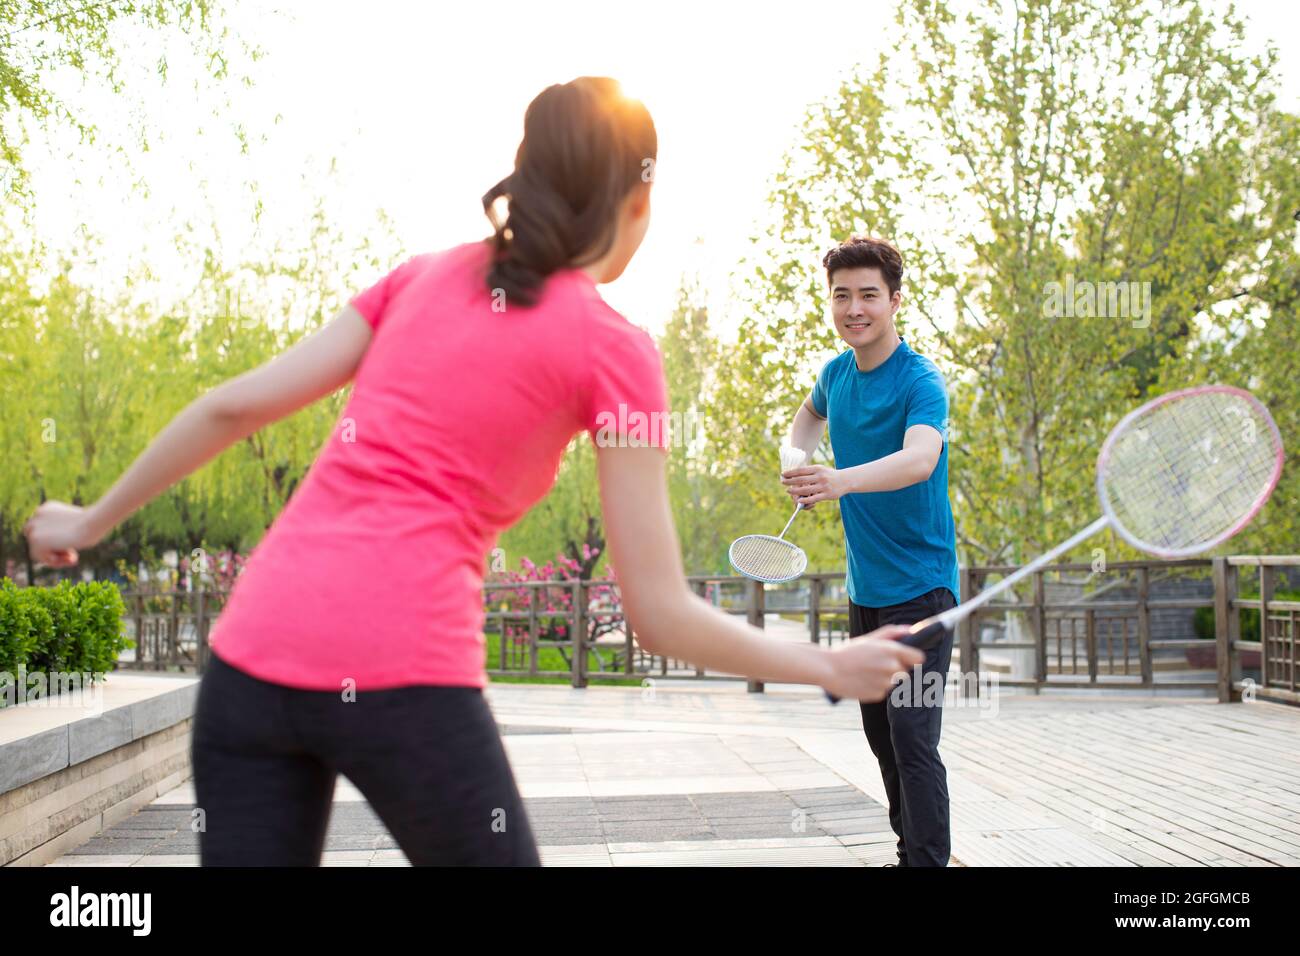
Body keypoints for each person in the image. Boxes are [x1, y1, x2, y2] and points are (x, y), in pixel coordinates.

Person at [23, 78, 924, 867]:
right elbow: (656, 609)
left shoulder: (418, 279)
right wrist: (824, 664)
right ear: (639, 203)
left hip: (249, 666)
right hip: (401, 676)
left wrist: (88, 520)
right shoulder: (616, 352)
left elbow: (233, 406)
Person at [781, 235, 959, 867]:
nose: (854, 308)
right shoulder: (835, 375)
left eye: (868, 295)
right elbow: (805, 421)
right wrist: (797, 463)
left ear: (894, 301)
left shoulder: (921, 381)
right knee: (881, 738)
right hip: (867, 591)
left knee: (913, 740)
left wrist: (840, 480)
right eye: (841, 295)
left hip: (923, 591)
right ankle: (908, 850)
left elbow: (919, 459)